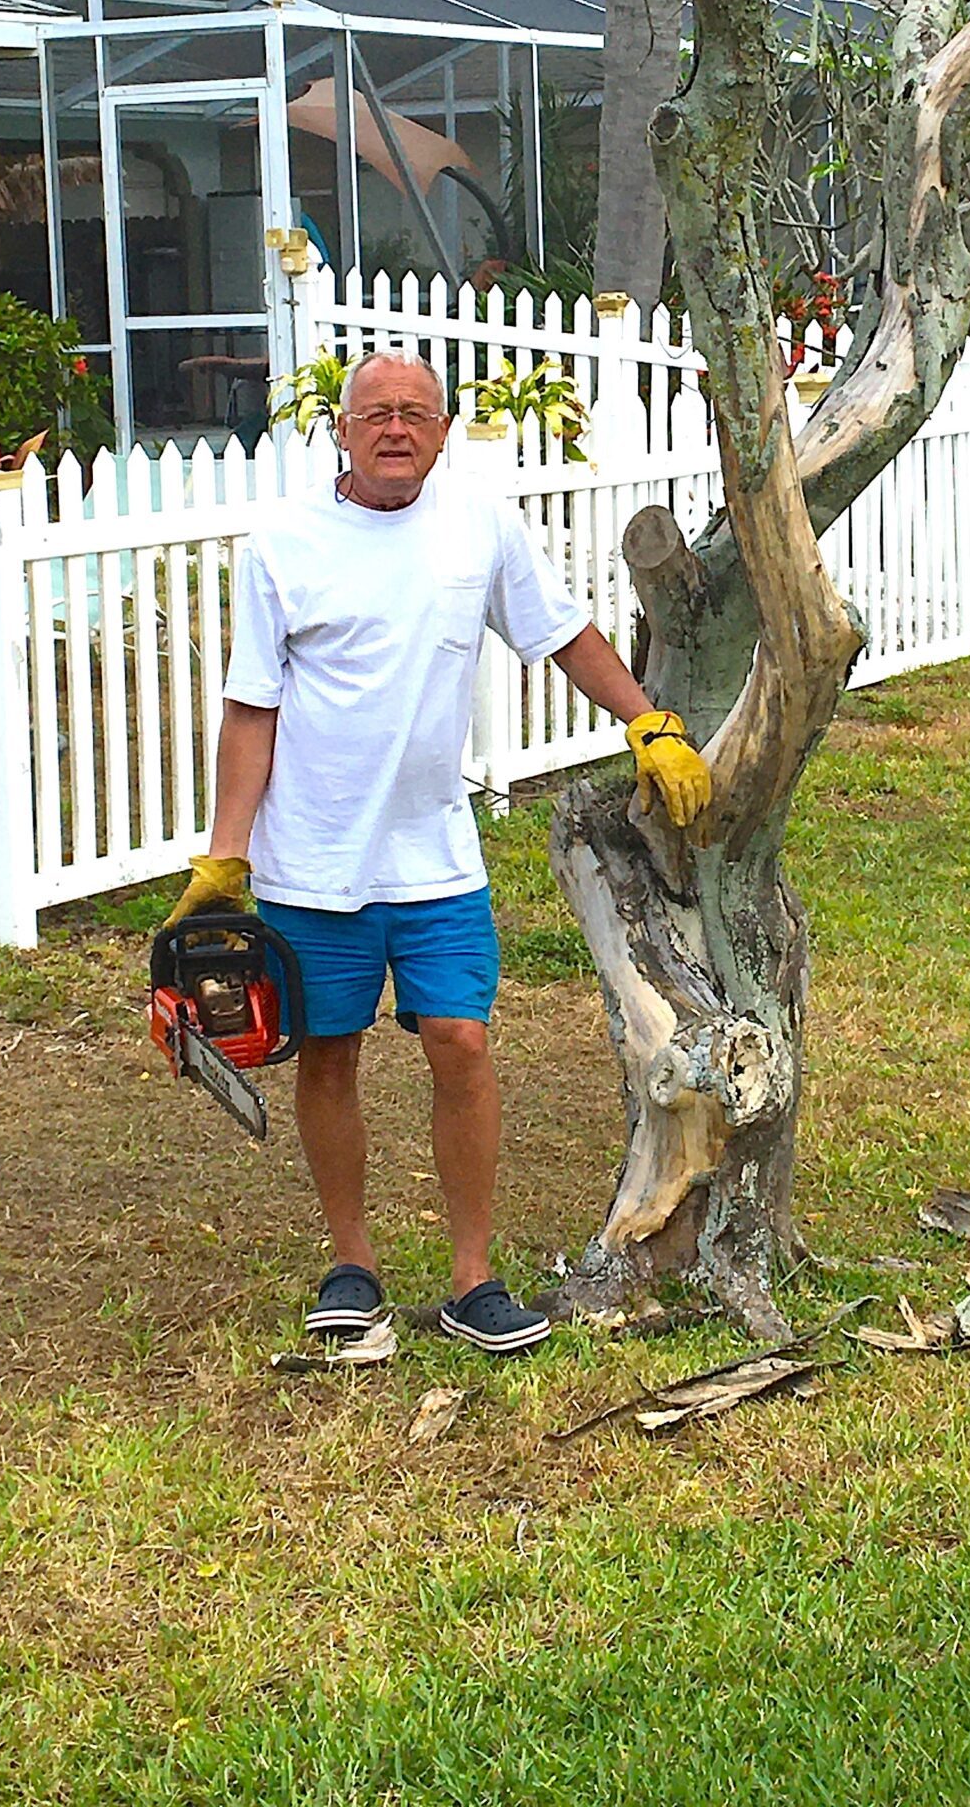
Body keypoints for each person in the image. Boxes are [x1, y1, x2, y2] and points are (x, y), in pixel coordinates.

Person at [163, 349, 712, 1357]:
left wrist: (649, 724)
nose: (396, 428)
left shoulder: (479, 523)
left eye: (418, 412)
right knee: (329, 1051)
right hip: (312, 862)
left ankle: (473, 1279)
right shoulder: (282, 543)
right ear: (340, 427)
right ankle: (351, 1265)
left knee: (460, 1043)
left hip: (435, 856)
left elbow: (563, 633)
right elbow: (251, 709)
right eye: (375, 412)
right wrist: (224, 858)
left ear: (446, 429)